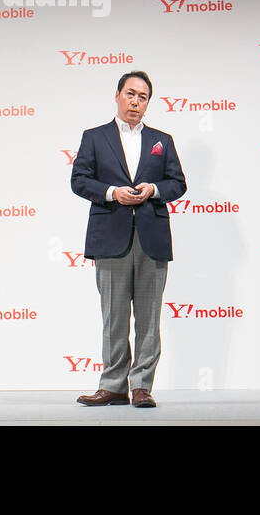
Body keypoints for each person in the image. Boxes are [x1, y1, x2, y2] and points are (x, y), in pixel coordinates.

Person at [70, 71, 187, 408]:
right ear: (118, 95)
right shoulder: (94, 137)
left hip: (152, 239)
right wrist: (111, 193)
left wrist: (155, 189)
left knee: (149, 317)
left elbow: (177, 183)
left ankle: (141, 387)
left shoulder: (162, 140)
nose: (136, 102)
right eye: (131, 94)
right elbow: (79, 180)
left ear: (148, 103)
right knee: (114, 316)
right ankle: (112, 385)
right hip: (110, 238)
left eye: (143, 97)